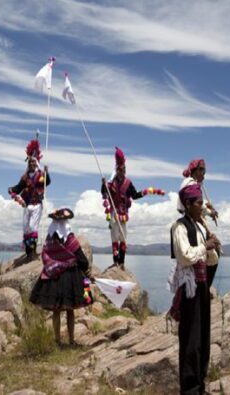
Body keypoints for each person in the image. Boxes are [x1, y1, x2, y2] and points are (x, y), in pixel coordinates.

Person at [169, 183, 220, 395]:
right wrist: (204, 247)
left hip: (201, 288)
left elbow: (209, 259)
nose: (202, 207)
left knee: (202, 338)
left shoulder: (198, 226)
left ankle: (200, 385)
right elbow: (185, 255)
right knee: (190, 340)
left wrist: (213, 248)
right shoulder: (179, 227)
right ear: (188, 204)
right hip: (190, 291)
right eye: (199, 203)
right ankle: (190, 389)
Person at [29, 208, 93, 346]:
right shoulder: (69, 238)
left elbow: (45, 256)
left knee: (56, 311)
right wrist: (85, 268)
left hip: (53, 277)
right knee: (70, 310)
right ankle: (71, 340)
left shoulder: (49, 239)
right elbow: (81, 258)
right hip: (70, 277)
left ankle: (57, 341)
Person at [101, 147, 164, 269]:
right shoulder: (111, 184)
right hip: (114, 214)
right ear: (117, 170)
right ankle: (115, 262)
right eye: (120, 169)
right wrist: (103, 184)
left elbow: (134, 195)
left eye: (124, 169)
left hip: (123, 215)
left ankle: (122, 262)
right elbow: (104, 193)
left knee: (123, 238)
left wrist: (147, 191)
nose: (122, 171)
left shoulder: (128, 183)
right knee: (114, 238)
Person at [178, 159, 220, 289]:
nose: (203, 174)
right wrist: (209, 212)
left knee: (213, 253)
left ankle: (204, 287)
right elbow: (195, 205)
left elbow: (199, 206)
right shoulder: (189, 184)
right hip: (192, 222)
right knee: (211, 252)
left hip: (197, 221)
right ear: (195, 171)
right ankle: (203, 288)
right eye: (201, 170)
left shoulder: (194, 184)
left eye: (204, 171)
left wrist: (209, 211)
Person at [9, 138, 51, 260]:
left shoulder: (40, 176)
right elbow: (19, 187)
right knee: (26, 227)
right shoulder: (25, 177)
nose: (32, 164)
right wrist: (12, 189)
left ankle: (32, 252)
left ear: (36, 163)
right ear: (28, 164)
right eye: (30, 163)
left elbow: (47, 182)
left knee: (33, 227)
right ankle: (28, 252)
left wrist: (47, 173)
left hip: (37, 204)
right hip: (27, 204)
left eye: (34, 162)